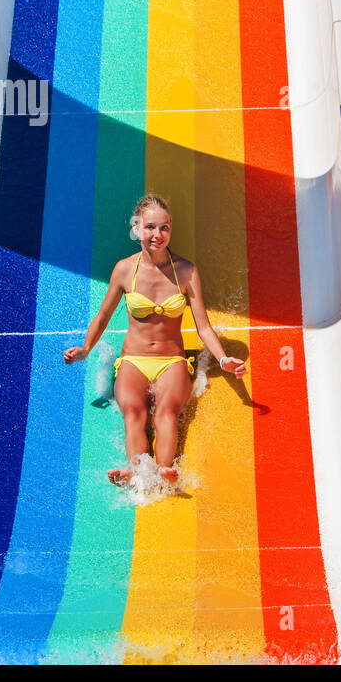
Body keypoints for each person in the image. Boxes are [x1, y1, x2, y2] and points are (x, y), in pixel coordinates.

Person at [63, 194, 247, 486]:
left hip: (171, 360)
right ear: (136, 228)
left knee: (166, 412)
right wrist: (86, 349)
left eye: (164, 228)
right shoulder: (124, 269)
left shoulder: (186, 271)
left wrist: (223, 359)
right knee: (133, 412)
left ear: (170, 229)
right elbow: (102, 317)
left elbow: (204, 327)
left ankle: (163, 470)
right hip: (133, 361)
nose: (157, 235)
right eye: (150, 227)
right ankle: (136, 472)